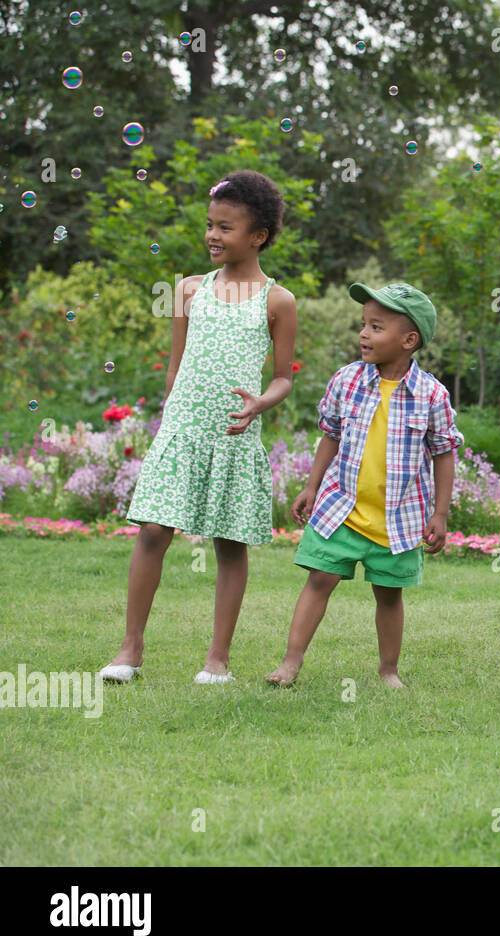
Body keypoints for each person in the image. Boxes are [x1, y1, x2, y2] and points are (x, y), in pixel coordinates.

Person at [100, 170, 298, 685]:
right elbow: (175, 363)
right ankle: (130, 648)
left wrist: (260, 403)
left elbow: (282, 378)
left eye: (225, 227)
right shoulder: (186, 290)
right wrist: (172, 417)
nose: (212, 235)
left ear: (258, 237)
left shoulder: (279, 301)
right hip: (182, 431)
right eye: (210, 225)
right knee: (152, 532)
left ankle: (217, 660)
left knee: (229, 545)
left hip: (234, 434)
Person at [265, 281, 462, 688]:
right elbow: (331, 435)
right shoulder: (347, 380)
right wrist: (311, 486)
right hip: (341, 509)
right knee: (318, 579)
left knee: (389, 595)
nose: (363, 334)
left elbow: (444, 453)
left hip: (400, 519)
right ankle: (289, 664)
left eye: (376, 326)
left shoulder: (432, 395)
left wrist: (440, 514)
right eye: (363, 324)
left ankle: (388, 670)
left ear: (409, 340)